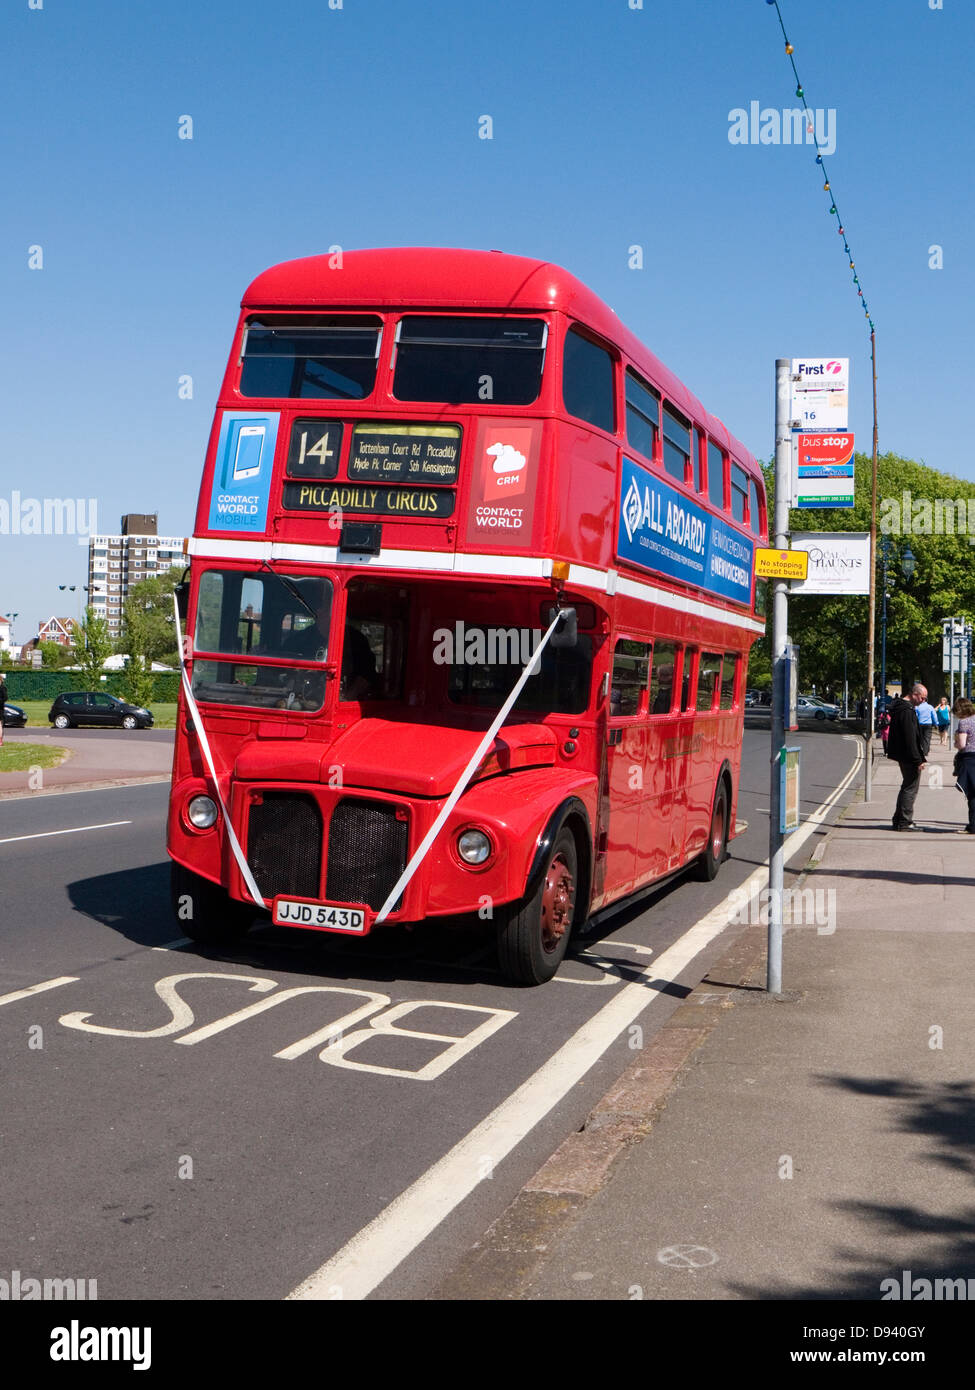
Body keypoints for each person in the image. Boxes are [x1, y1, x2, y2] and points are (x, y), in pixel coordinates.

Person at [885, 684, 927, 831]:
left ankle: (898, 820)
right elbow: (911, 738)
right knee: (910, 788)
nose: (923, 701)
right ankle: (904, 822)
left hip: (902, 754)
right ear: (914, 694)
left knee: (906, 787)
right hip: (909, 756)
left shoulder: (901, 708)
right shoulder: (907, 711)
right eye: (922, 697)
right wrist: (918, 760)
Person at [952, 697, 975, 833]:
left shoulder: (964, 722)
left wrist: (955, 743)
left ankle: (973, 825)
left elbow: (961, 744)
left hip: (970, 759)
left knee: (972, 794)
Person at [914, 686, 936, 758]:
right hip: (928, 724)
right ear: (926, 700)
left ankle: (920, 750)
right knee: (927, 738)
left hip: (919, 724)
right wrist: (936, 723)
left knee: (920, 738)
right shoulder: (930, 707)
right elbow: (934, 716)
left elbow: (915, 716)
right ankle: (925, 752)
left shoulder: (917, 707)